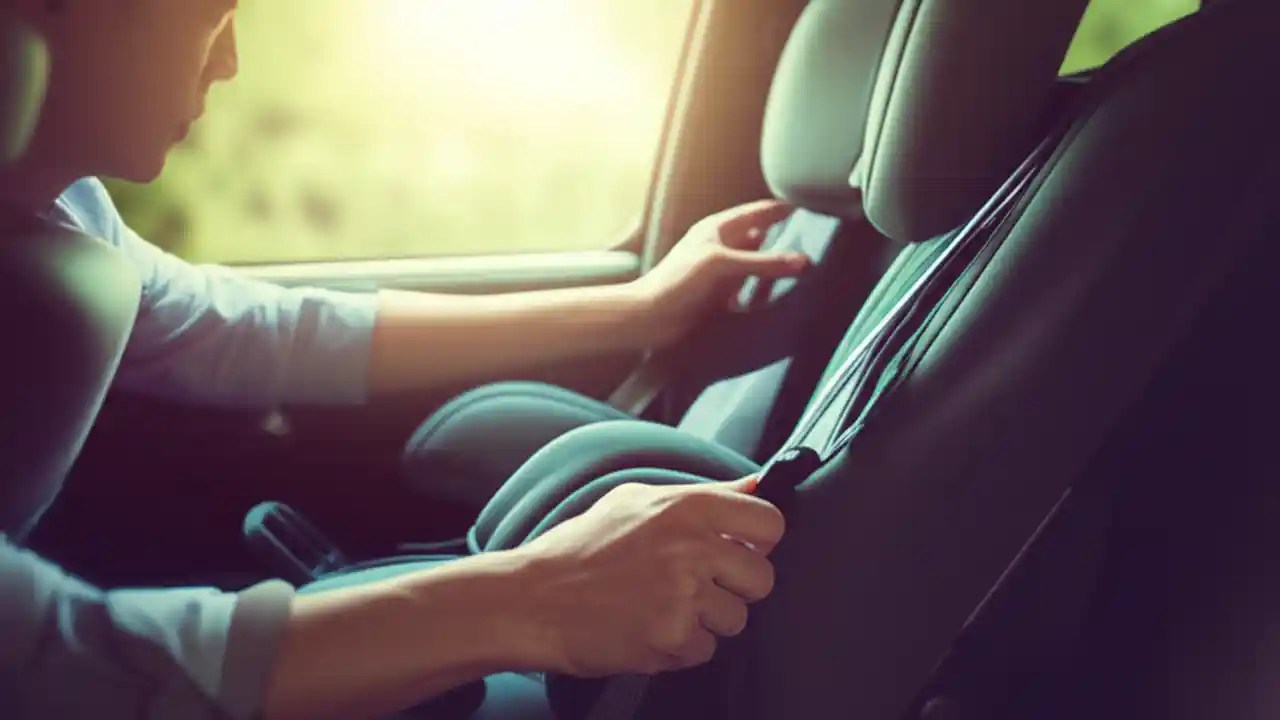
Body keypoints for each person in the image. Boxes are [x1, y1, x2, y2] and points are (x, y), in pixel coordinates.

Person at [0, 1, 808, 718]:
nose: (229, 61)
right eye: (213, 11)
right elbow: (56, 668)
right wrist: (539, 597)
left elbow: (257, 330)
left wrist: (641, 309)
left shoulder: (66, 212)